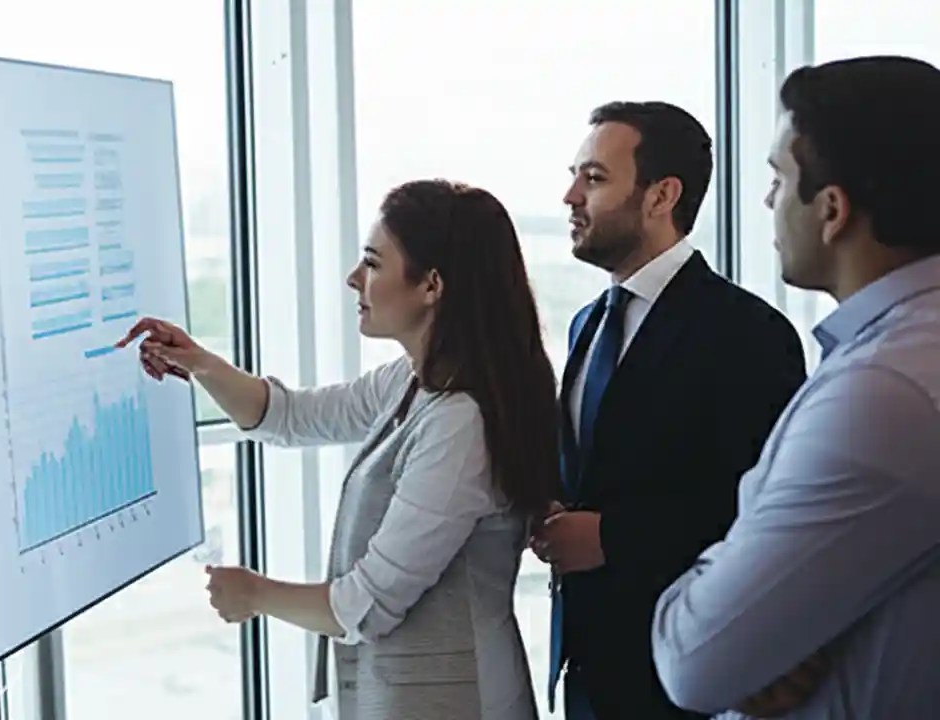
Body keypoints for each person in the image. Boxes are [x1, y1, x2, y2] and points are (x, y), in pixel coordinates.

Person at [117, 179, 558, 719]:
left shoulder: (459, 425)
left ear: (431, 285)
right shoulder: (412, 381)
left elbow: (369, 603)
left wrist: (253, 594)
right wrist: (200, 361)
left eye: (373, 263)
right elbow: (289, 416)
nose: (354, 279)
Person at [652, 55, 940, 720]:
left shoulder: (884, 388)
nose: (767, 202)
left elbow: (693, 660)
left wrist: (719, 591)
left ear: (833, 210)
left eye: (779, 179)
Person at [531, 101, 807, 719]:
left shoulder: (747, 333)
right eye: (576, 174)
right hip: (588, 669)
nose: (571, 195)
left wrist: (611, 536)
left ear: (661, 196)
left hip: (684, 678)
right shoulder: (586, 324)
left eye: (595, 178)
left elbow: (763, 516)